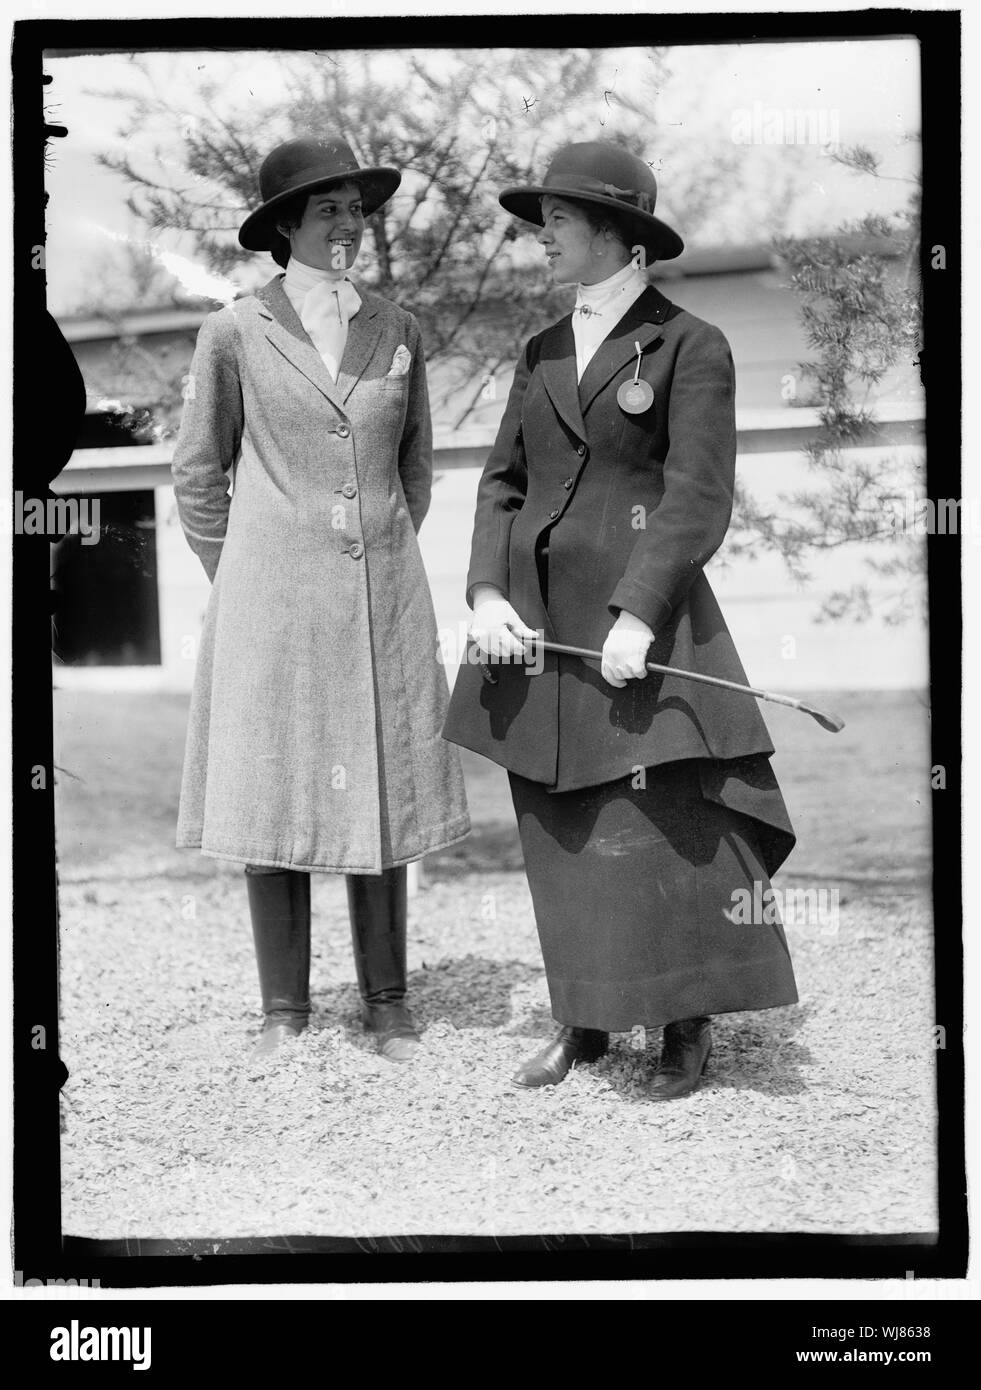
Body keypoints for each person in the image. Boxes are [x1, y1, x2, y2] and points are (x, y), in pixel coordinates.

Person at [442, 140, 798, 1099]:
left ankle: (686, 1020)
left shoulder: (692, 345)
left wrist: (638, 613)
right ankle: (584, 1015)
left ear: (618, 234)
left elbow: (693, 497)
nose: (539, 238)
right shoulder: (540, 349)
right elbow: (502, 484)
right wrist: (485, 594)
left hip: (644, 623)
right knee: (559, 820)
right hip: (534, 630)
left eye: (556, 220)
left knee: (665, 818)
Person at [172, 136, 469, 1061]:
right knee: (273, 785)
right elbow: (196, 473)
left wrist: (371, 556)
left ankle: (386, 1003)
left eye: (357, 210)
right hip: (270, 603)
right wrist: (254, 575)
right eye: (327, 210)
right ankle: (284, 1013)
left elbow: (412, 470)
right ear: (284, 228)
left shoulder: (398, 328)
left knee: (380, 782)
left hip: (380, 597)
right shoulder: (233, 332)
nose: (348, 225)